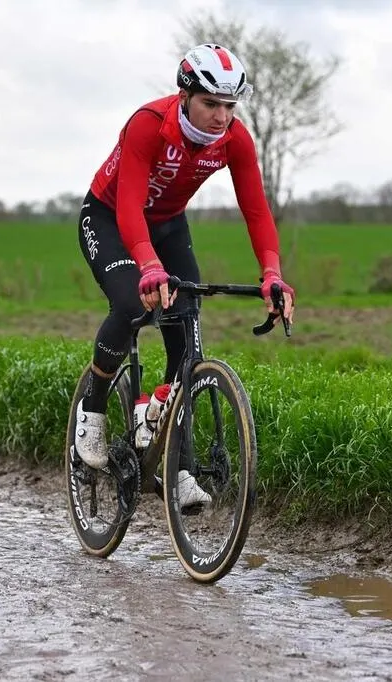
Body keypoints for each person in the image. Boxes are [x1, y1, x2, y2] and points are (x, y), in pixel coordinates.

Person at [75, 42, 296, 506]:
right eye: (211, 103)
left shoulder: (235, 139)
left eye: (230, 105)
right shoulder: (149, 126)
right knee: (135, 305)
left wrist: (272, 274)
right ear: (185, 96)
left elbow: (256, 211)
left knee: (189, 336)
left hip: (169, 225)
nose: (221, 116)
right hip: (112, 219)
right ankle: (90, 410)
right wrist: (149, 266)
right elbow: (131, 204)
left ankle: (169, 454)